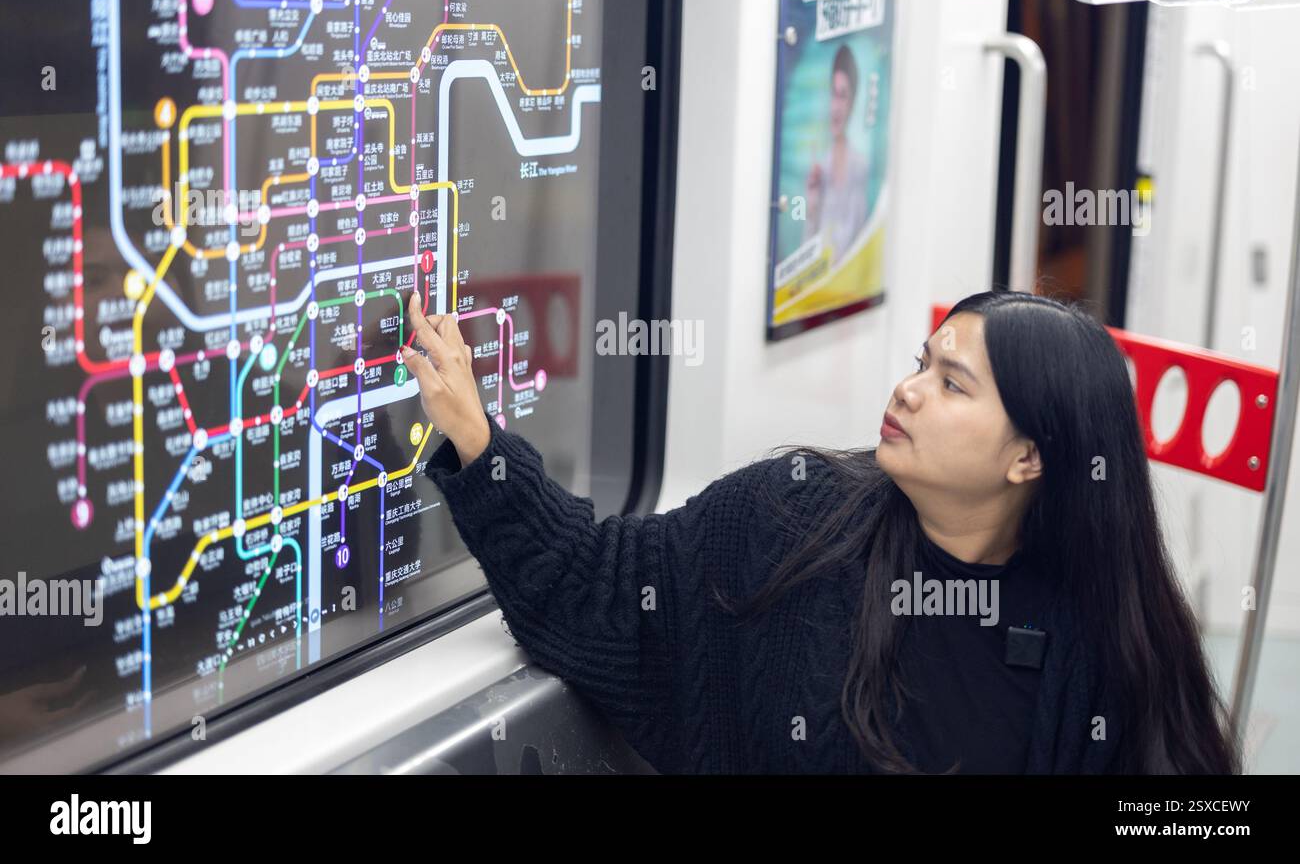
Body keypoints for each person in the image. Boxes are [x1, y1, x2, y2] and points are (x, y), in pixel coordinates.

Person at [399, 288, 1242, 774]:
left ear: (1029, 457)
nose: (908, 391)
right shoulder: (791, 519)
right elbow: (600, 587)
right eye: (921, 363)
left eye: (952, 385)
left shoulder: (1108, 640)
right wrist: (481, 443)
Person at [802, 43, 871, 268]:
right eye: (833, 94)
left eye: (843, 96)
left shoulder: (860, 167)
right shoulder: (819, 170)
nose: (836, 106)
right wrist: (810, 206)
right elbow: (806, 250)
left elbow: (859, 247)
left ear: (852, 103)